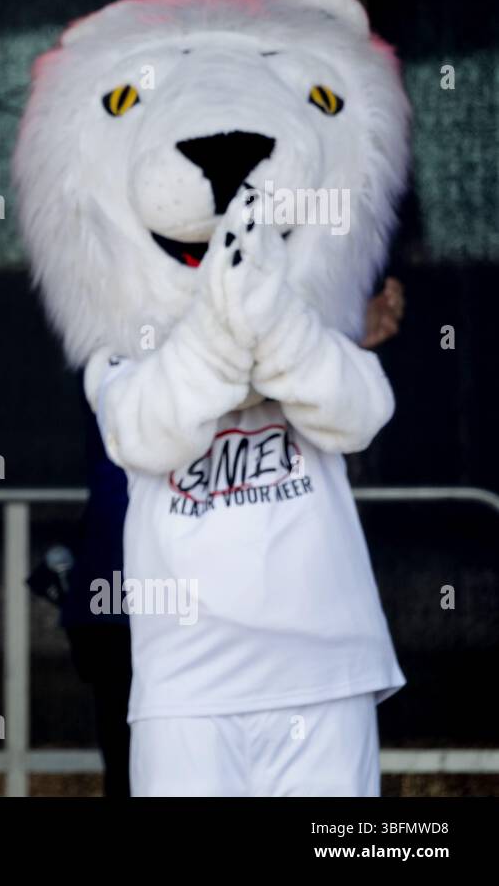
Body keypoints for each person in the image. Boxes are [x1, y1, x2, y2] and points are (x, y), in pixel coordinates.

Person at [47, 276, 405, 797]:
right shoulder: (116, 322)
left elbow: (360, 411)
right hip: (186, 682)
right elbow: (147, 425)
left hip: (325, 668)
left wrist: (312, 322)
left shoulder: (309, 300)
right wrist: (308, 339)